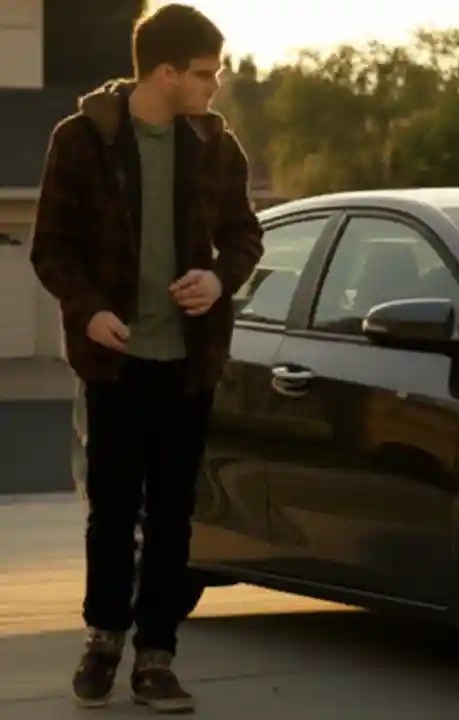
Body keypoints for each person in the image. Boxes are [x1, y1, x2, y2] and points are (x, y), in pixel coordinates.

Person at [29, 3, 264, 712]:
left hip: (188, 365)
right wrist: (89, 309)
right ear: (166, 73)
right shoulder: (83, 141)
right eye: (204, 74)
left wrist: (221, 277)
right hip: (113, 362)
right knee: (112, 508)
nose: (213, 86)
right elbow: (51, 249)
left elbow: (246, 238)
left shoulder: (217, 146)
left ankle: (156, 659)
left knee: (172, 516)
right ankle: (104, 638)